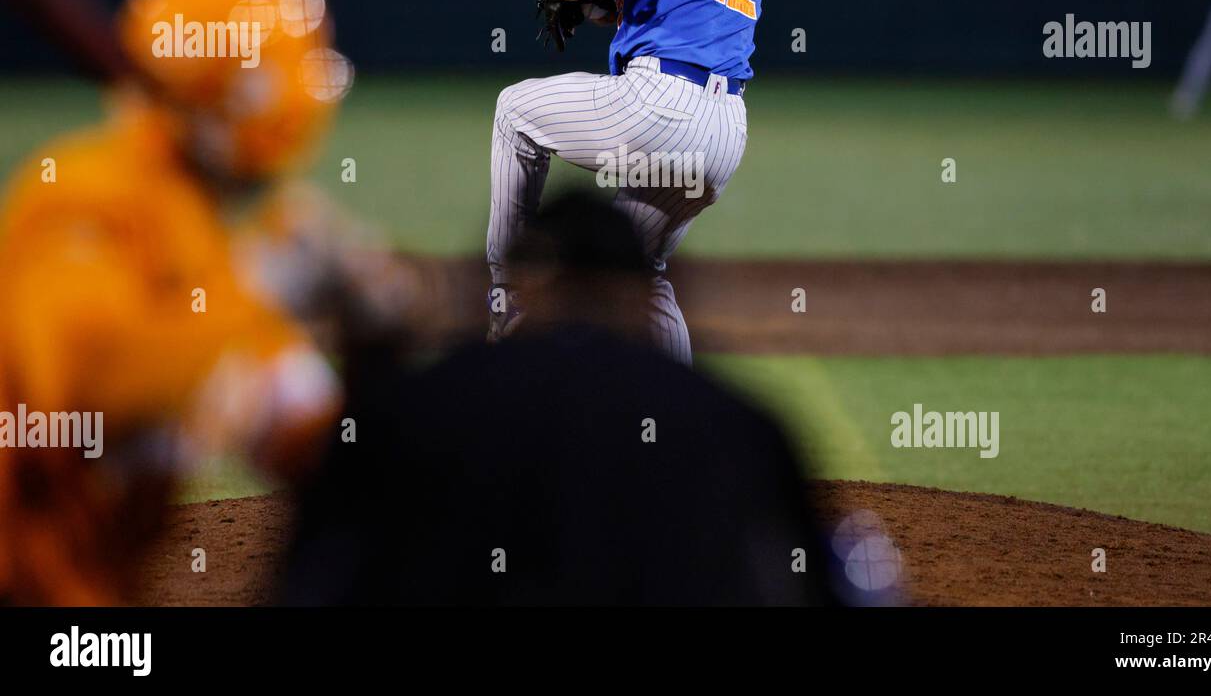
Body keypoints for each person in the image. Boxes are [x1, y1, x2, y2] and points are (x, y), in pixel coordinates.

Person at [0, 0, 350, 604]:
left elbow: (294, 421)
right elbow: (87, 387)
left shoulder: (213, 231)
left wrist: (388, 342)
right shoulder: (82, 201)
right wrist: (263, 284)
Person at [282, 190, 833, 605]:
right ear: (648, 298)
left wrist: (370, 370)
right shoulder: (738, 424)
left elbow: (314, 576)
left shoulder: (413, 409)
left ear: (520, 288)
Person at [488, 0, 770, 365]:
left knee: (516, 110)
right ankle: (680, 418)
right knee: (642, 274)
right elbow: (691, 6)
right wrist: (612, 6)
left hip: (660, 106)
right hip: (724, 132)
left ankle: (505, 292)